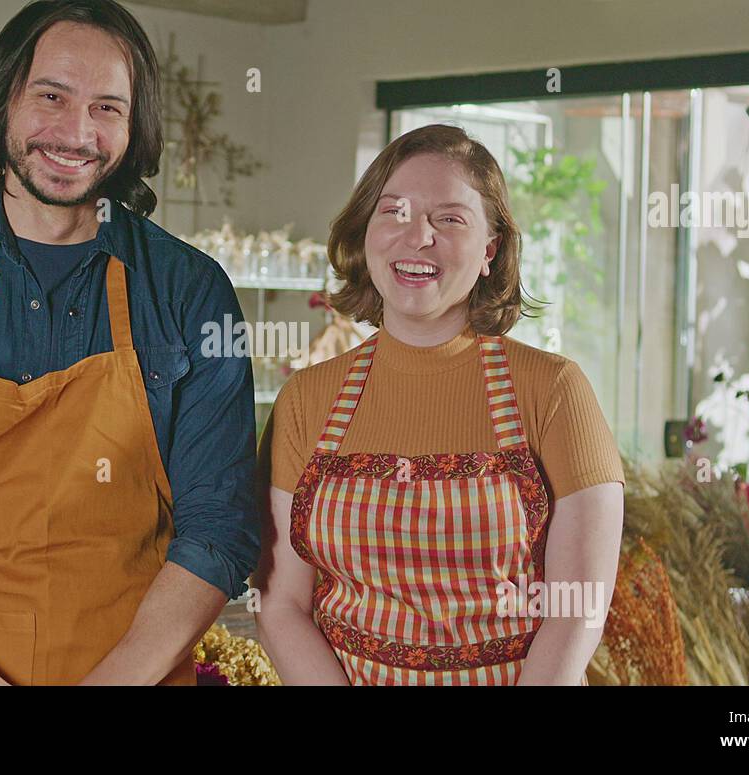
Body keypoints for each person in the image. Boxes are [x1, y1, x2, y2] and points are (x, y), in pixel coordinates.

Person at [0, 0, 259, 686]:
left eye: (108, 108)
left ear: (135, 127)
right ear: (3, 100)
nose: (76, 132)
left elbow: (220, 530)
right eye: (52, 97)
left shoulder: (189, 291)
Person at [254, 124, 625, 685]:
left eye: (449, 219)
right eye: (394, 212)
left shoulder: (554, 391)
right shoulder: (306, 400)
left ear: (489, 251)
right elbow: (281, 605)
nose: (417, 236)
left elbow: (577, 611)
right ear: (366, 234)